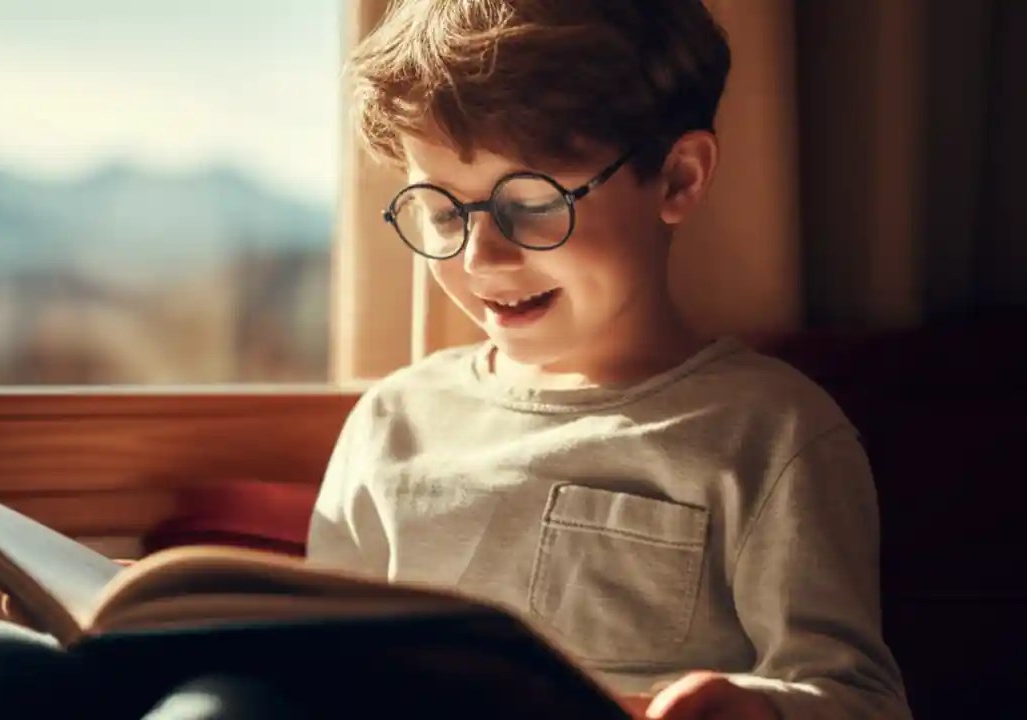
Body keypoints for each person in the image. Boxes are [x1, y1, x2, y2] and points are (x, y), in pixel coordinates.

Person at [304, 1, 912, 719]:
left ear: (680, 178)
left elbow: (860, 699)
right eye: (443, 212)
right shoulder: (391, 422)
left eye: (530, 202)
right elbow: (326, 668)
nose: (481, 257)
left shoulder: (771, 433)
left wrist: (756, 709)